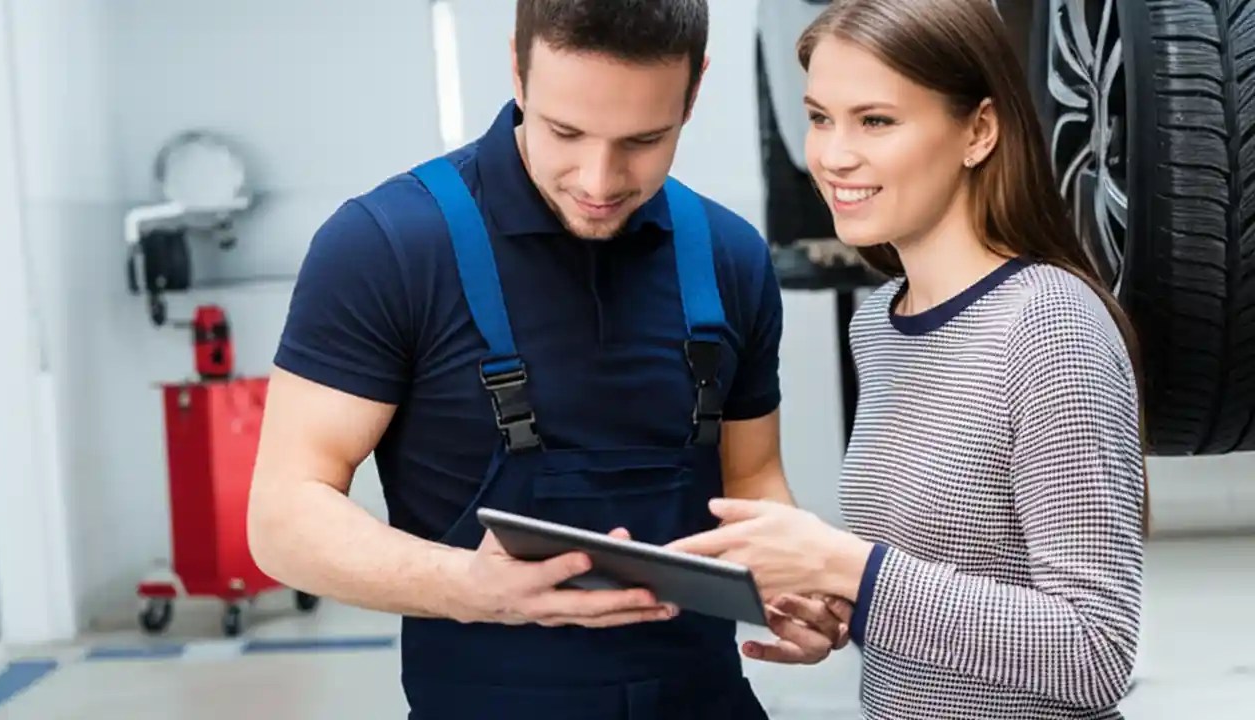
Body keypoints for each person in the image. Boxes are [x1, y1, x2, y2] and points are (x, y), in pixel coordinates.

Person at [246, 1, 835, 718]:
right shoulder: (387, 246)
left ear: (694, 89)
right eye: (566, 132)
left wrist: (795, 583)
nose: (600, 179)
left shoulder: (728, 254)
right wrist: (469, 585)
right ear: (518, 71)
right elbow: (283, 516)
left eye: (645, 139)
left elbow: (752, 479)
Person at [669, 0, 1148, 718]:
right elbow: (930, 597)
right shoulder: (880, 325)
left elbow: (1094, 652)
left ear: (978, 131)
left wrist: (851, 569)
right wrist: (837, 612)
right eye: (821, 117)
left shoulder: (1050, 325)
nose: (832, 154)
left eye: (876, 121)